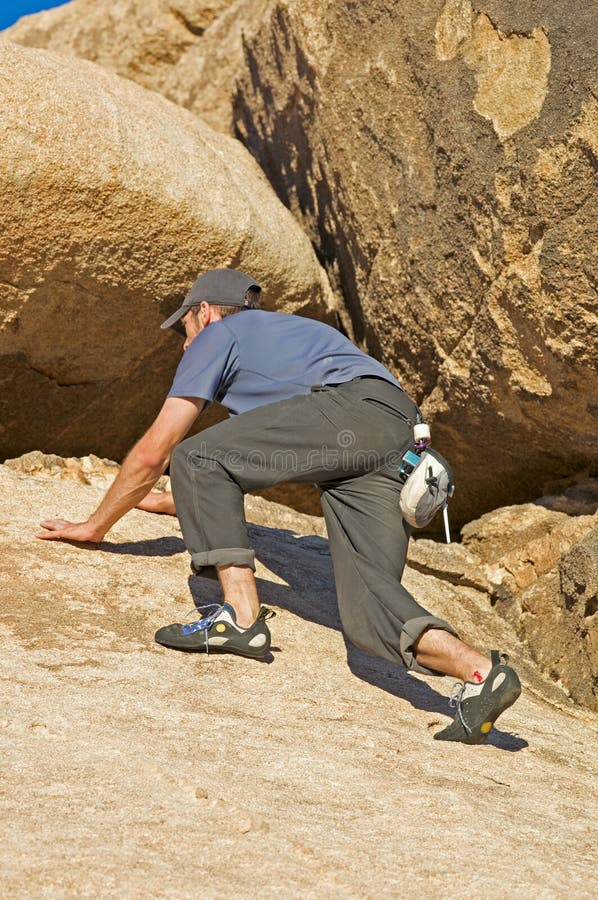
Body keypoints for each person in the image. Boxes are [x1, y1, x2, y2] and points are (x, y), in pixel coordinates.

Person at [38, 267, 521, 743]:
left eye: (184, 329)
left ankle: (240, 617)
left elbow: (157, 452)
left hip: (352, 414)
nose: (184, 346)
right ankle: (481, 674)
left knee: (196, 455)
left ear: (205, 312)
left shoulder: (219, 334)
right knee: (368, 613)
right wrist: (182, 497)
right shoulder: (291, 339)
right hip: (397, 438)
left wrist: (95, 526)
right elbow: (263, 458)